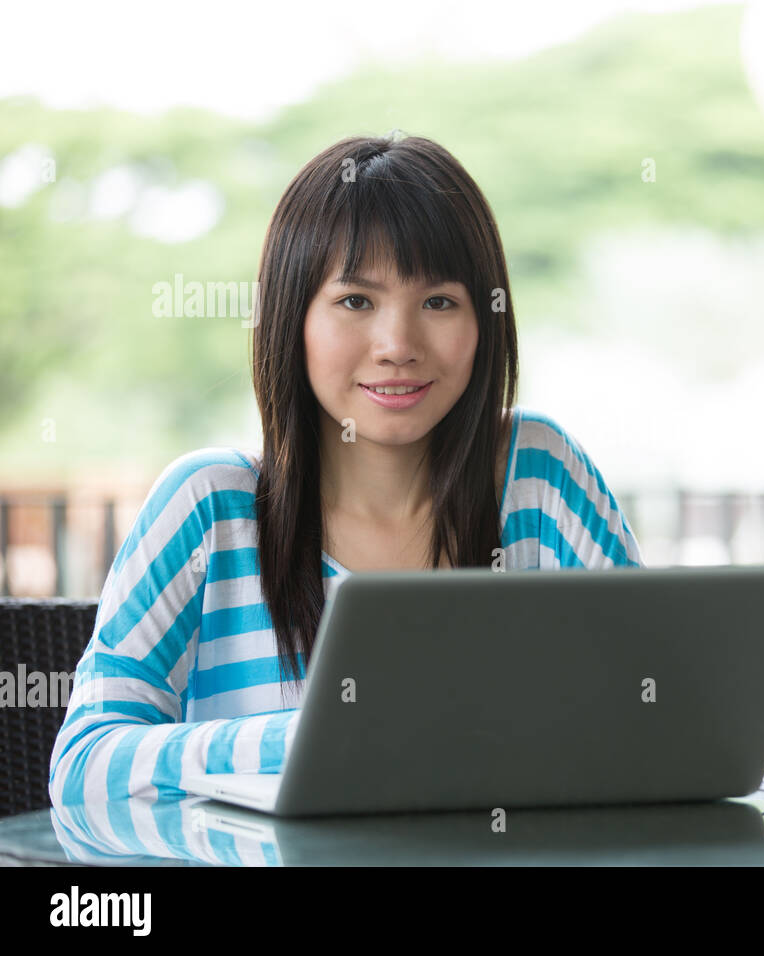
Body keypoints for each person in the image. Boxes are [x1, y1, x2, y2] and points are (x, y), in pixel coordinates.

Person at [48, 134, 643, 822]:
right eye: (357, 301)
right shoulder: (209, 506)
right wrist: (316, 738)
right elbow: (86, 766)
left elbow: (654, 704)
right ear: (291, 318)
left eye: (440, 302)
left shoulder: (536, 474)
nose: (398, 346)